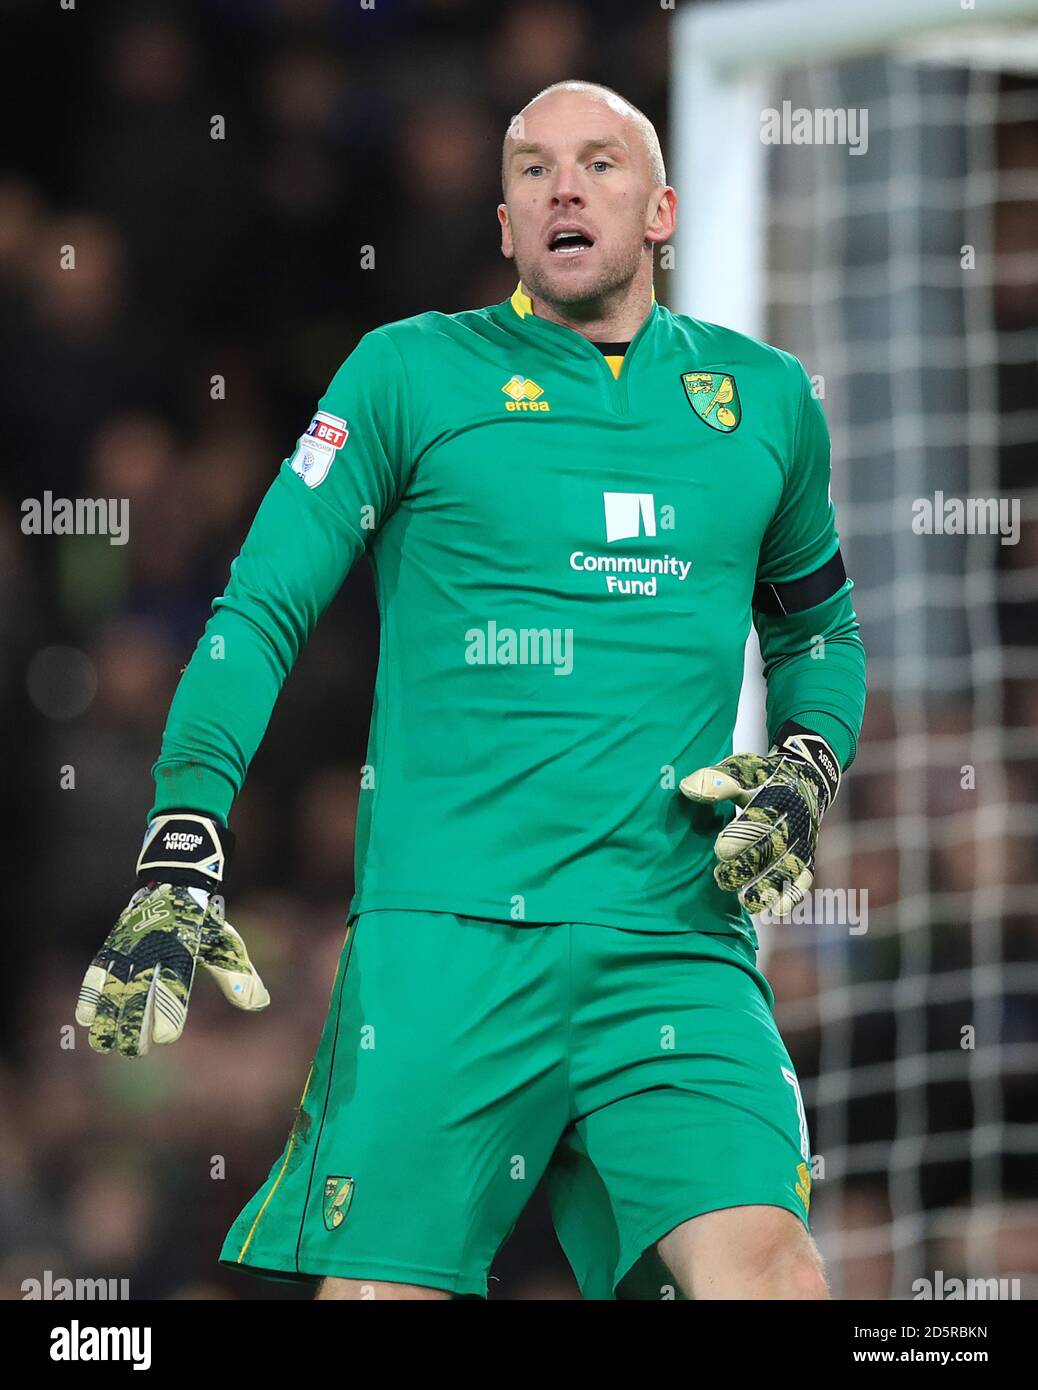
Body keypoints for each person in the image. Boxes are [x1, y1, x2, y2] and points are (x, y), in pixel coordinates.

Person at [76, 80, 866, 1301]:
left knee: (772, 1270)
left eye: (598, 164)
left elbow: (821, 634)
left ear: (660, 210)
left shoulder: (764, 402)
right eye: (533, 168)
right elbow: (260, 611)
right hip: (445, 942)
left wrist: (810, 762)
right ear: (503, 223)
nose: (563, 186)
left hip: (672, 933)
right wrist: (186, 832)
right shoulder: (407, 376)